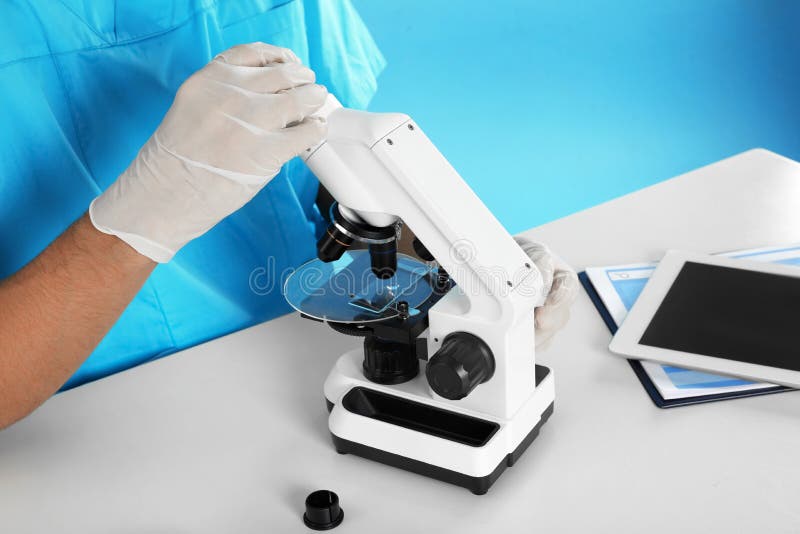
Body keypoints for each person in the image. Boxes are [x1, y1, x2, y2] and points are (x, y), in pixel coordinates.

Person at [0, 5, 577, 430]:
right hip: (78, 421)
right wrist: (138, 220)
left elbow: (340, 178)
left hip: (286, 362)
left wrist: (468, 259)